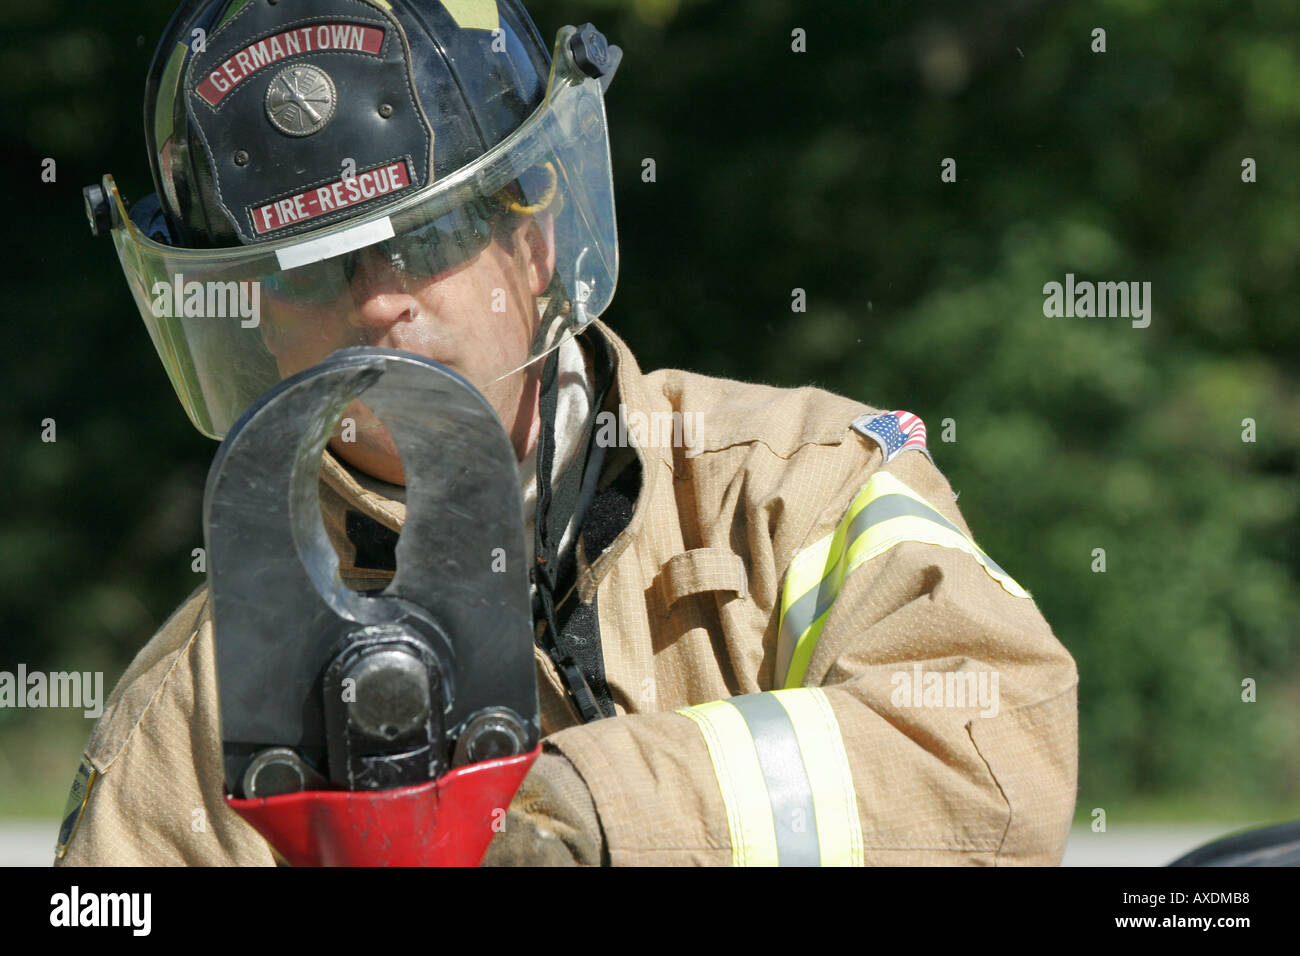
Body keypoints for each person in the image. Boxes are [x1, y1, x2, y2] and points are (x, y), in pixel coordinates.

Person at [57, 0, 1078, 866]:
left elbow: (992, 746)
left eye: (426, 235)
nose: (378, 307)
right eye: (311, 270)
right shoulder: (204, 696)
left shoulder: (789, 488)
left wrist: (595, 812)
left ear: (534, 235)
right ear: (257, 318)